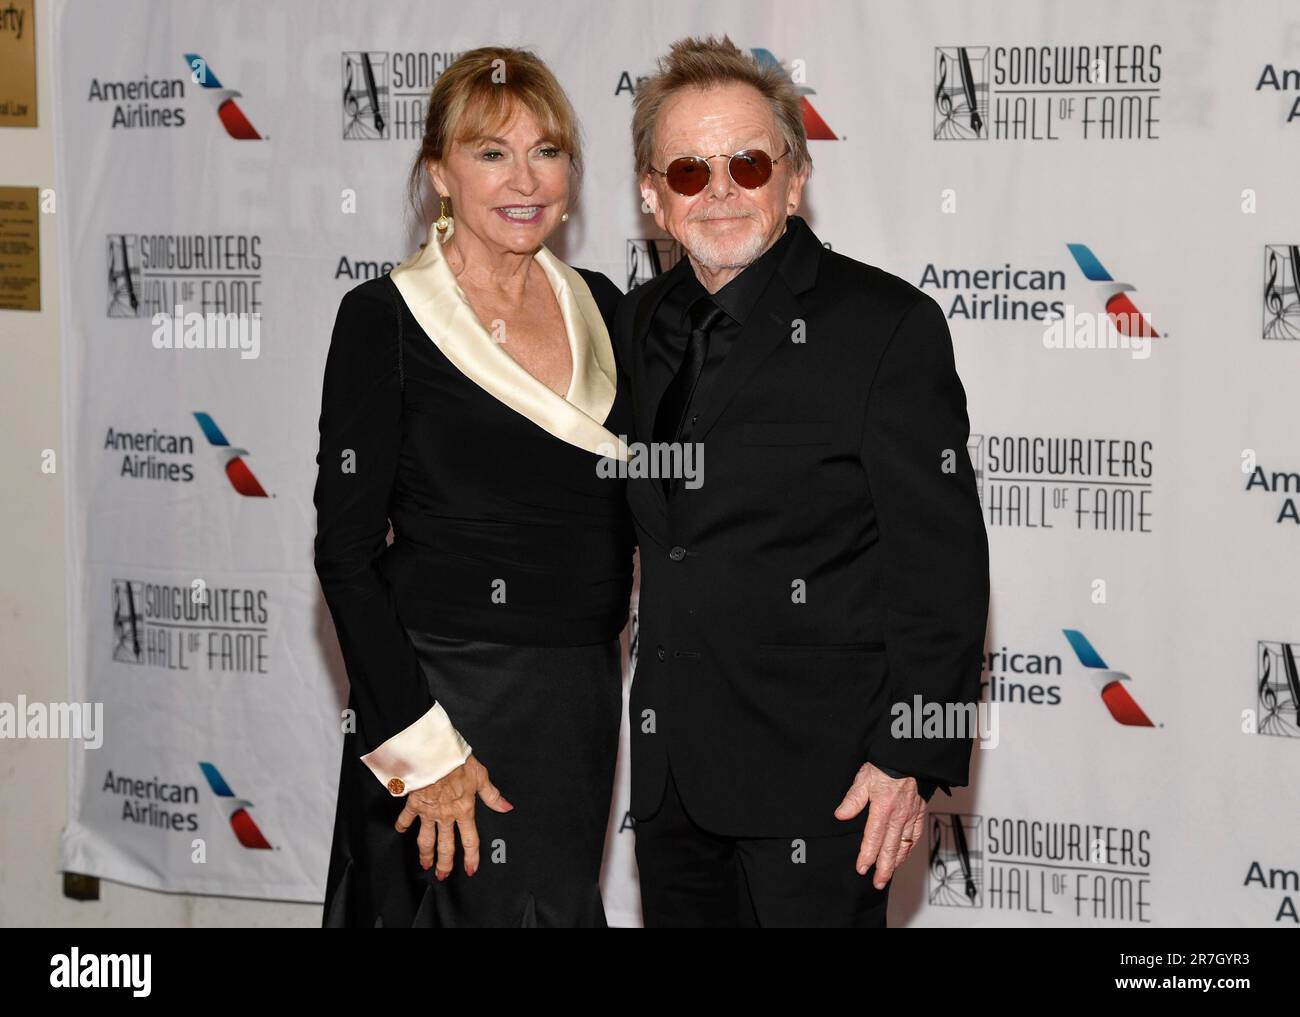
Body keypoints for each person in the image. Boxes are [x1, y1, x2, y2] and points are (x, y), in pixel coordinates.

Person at [614, 36, 990, 927]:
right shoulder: (633, 326)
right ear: (652, 196)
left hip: (829, 795)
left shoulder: (884, 326)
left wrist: (911, 757)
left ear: (794, 177)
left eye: (748, 162)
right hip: (670, 791)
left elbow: (942, 572)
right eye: (688, 170)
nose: (721, 191)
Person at [312, 46, 634, 927]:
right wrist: (425, 752)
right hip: (438, 694)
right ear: (439, 175)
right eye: (492, 152)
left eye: (547, 150)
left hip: (575, 699)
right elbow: (343, 556)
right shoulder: (384, 320)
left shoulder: (607, 307)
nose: (525, 178)